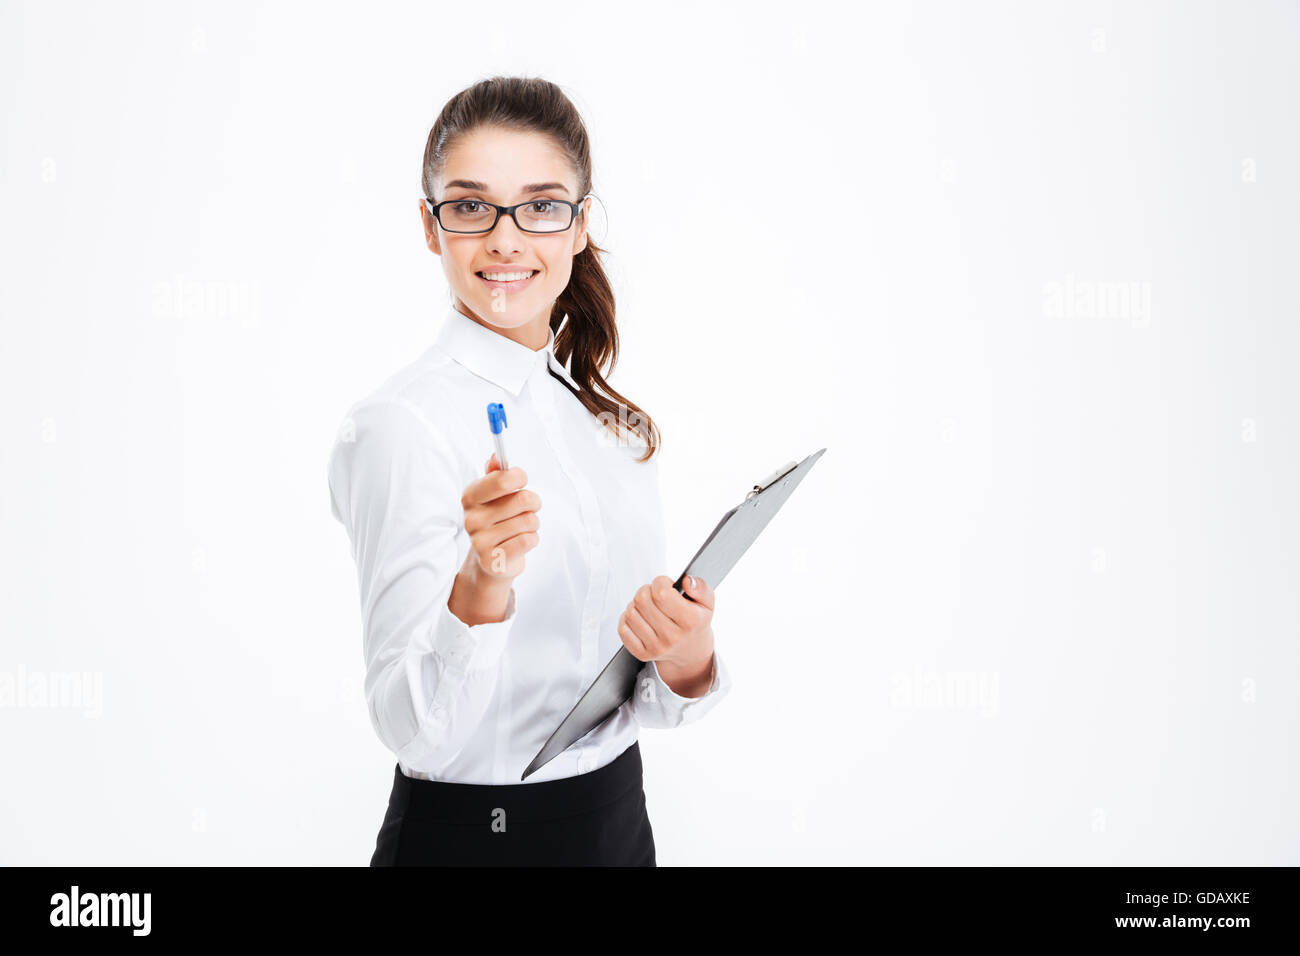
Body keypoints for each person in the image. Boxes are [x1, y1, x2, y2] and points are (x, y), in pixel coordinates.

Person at [327, 76, 733, 866]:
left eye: (541, 206)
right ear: (429, 225)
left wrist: (686, 655)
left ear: (579, 226)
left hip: (617, 820)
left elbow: (628, 693)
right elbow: (409, 730)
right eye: (472, 207)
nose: (507, 241)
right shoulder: (397, 428)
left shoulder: (603, 423)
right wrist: (481, 589)